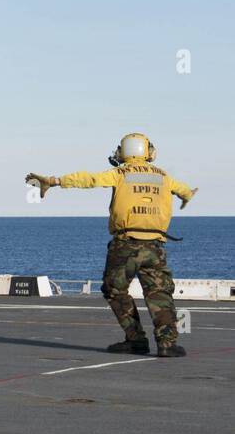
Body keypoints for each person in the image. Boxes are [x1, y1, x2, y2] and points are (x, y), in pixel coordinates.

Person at [26, 133, 196, 357]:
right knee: (159, 293)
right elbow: (185, 190)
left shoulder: (120, 173)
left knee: (114, 289)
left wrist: (55, 181)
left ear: (124, 151)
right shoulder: (163, 176)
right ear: (148, 152)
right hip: (155, 246)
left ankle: (135, 339)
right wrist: (186, 197)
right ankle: (167, 343)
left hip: (125, 245)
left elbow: (89, 180)